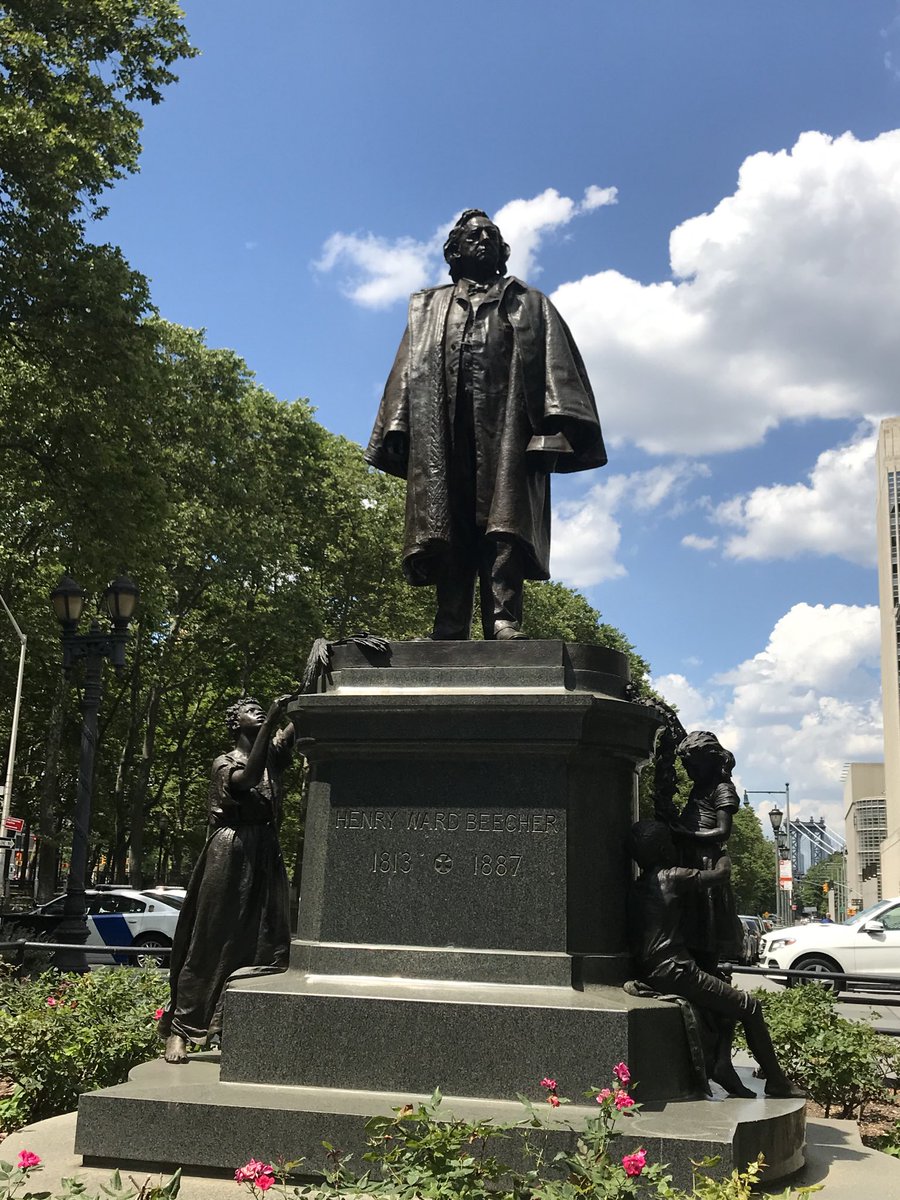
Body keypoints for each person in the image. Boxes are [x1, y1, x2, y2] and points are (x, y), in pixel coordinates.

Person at [365, 208, 606, 640]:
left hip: (509, 427)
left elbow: (558, 367)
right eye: (473, 236)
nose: (483, 240)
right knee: (447, 523)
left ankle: (503, 618)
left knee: (505, 524)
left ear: (502, 250)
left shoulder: (529, 303)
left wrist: (559, 430)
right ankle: (449, 623)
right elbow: (408, 369)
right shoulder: (428, 307)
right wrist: (398, 425)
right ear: (453, 251)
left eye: (491, 235)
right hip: (443, 431)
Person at [160, 695, 295, 1064]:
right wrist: (270, 719)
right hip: (230, 849)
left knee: (269, 941)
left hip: (265, 851)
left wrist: (320, 675)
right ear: (236, 724)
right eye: (250, 711)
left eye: (260, 709)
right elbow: (246, 779)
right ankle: (181, 1029)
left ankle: (233, 1026)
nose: (258, 712)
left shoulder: (271, 756)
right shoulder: (225, 762)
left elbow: (298, 721)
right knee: (210, 938)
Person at [627, 820, 804, 1099]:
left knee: (723, 996)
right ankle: (777, 1081)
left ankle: (722, 1065)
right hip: (676, 970)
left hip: (654, 969)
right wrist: (722, 853)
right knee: (749, 1006)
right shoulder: (672, 877)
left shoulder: (637, 886)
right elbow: (721, 875)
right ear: (663, 849)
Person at [657, 730, 745, 971]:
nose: (690, 773)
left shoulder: (723, 789)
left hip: (705, 861)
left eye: (694, 767)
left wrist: (688, 834)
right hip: (689, 858)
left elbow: (722, 832)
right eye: (687, 768)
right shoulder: (699, 789)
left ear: (711, 762)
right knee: (687, 921)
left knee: (704, 923)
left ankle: (705, 970)